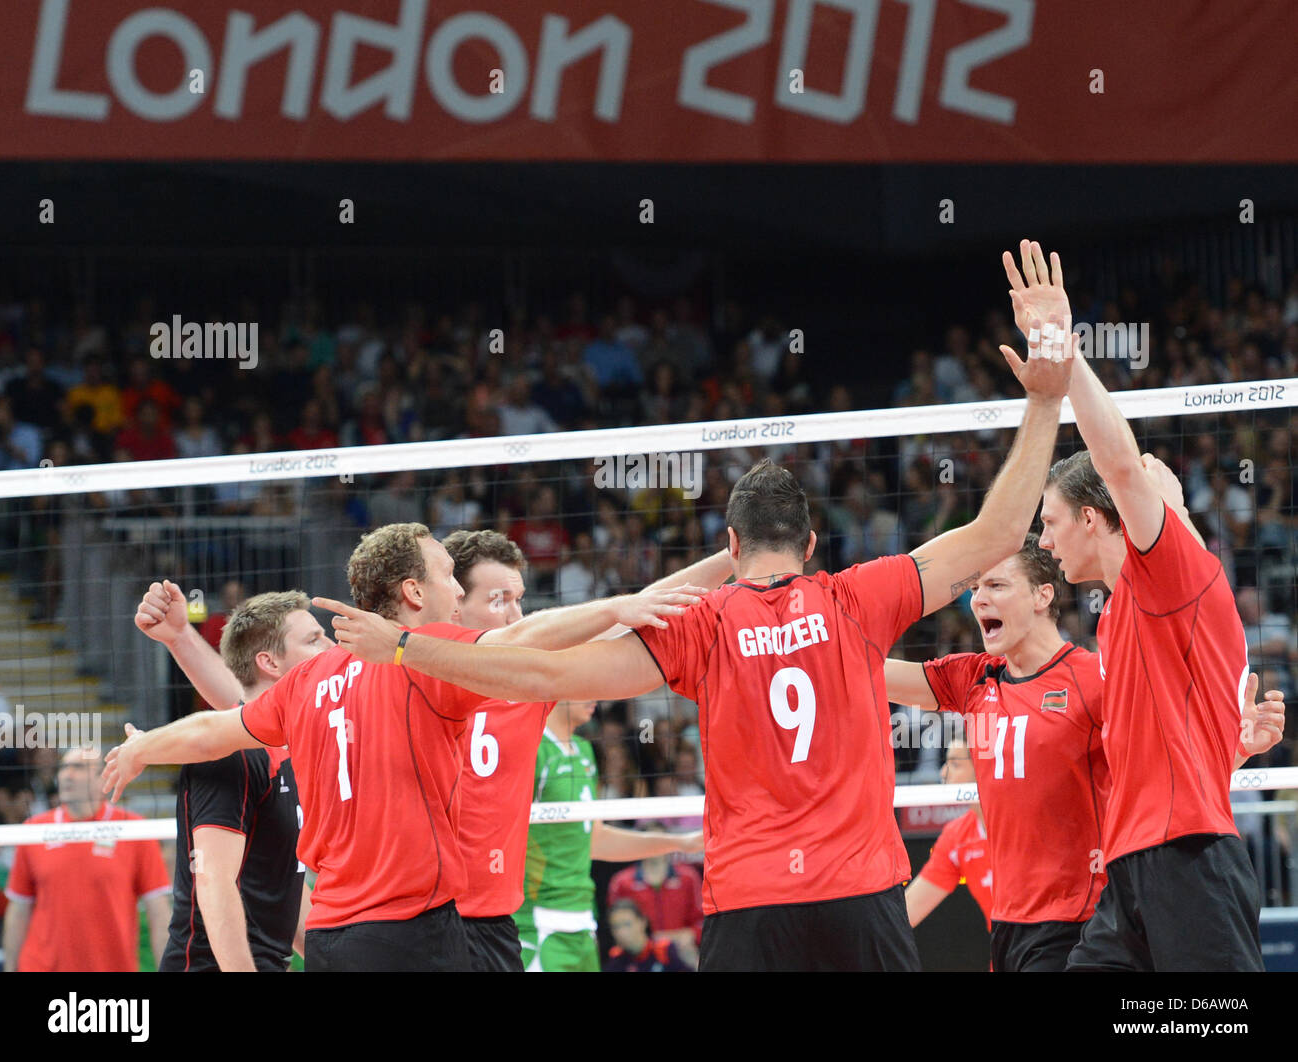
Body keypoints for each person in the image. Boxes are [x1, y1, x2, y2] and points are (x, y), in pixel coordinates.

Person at [313, 320, 1078, 971]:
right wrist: (1045, 398)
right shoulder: (857, 597)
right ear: (811, 543)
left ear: (732, 542)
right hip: (861, 895)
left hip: (750, 904)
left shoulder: (701, 625)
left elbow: (538, 670)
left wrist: (410, 649)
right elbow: (999, 533)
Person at [104, 523, 704, 972]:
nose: (454, 586)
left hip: (332, 934)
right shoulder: (421, 656)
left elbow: (217, 728)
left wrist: (141, 748)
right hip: (411, 927)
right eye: (447, 575)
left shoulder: (310, 681)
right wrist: (615, 607)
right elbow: (519, 639)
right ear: (414, 591)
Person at [1007, 239, 1279, 971]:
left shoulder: (1168, 571)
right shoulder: (1120, 610)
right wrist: (1231, 744)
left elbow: (1119, 462)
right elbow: (1175, 731)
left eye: (1051, 520)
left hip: (1187, 863)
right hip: (1133, 869)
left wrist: (1064, 351)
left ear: (1094, 519)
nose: (1043, 538)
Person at [443, 528, 720, 972]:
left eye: (520, 599)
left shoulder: (529, 685)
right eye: (499, 600)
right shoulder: (410, 674)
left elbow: (640, 608)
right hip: (433, 917)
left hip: (499, 922)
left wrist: (733, 554)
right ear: (453, 600)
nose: (516, 616)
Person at [134, 584, 324, 971]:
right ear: (271, 664)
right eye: (315, 640)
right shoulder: (233, 753)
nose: (333, 647)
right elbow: (213, 884)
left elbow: (286, 885)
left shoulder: (287, 748)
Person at [517, 699, 701, 973]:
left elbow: (595, 839)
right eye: (585, 687)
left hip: (583, 921)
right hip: (538, 923)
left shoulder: (584, 752)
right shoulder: (531, 750)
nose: (595, 697)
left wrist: (680, 841)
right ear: (558, 687)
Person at [3, 748, 170, 972]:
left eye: (78, 768)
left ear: (104, 778)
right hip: (41, 965)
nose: (67, 775)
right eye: (63, 768)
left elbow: (158, 910)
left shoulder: (134, 829)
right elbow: (19, 909)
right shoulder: (34, 829)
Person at [904, 738, 993, 934]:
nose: (943, 773)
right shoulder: (957, 836)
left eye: (954, 764)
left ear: (983, 766)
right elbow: (908, 910)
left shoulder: (1023, 825)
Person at [607, 828, 704, 963]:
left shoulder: (689, 877)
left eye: (661, 840)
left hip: (681, 949)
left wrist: (692, 934)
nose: (656, 845)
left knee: (692, 955)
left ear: (670, 842)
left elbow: (703, 921)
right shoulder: (621, 882)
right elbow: (616, 925)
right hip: (639, 952)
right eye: (650, 840)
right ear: (640, 844)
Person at [605, 900, 692, 972]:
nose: (621, 932)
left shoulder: (665, 950)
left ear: (643, 922)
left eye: (627, 924)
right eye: (615, 927)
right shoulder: (615, 958)